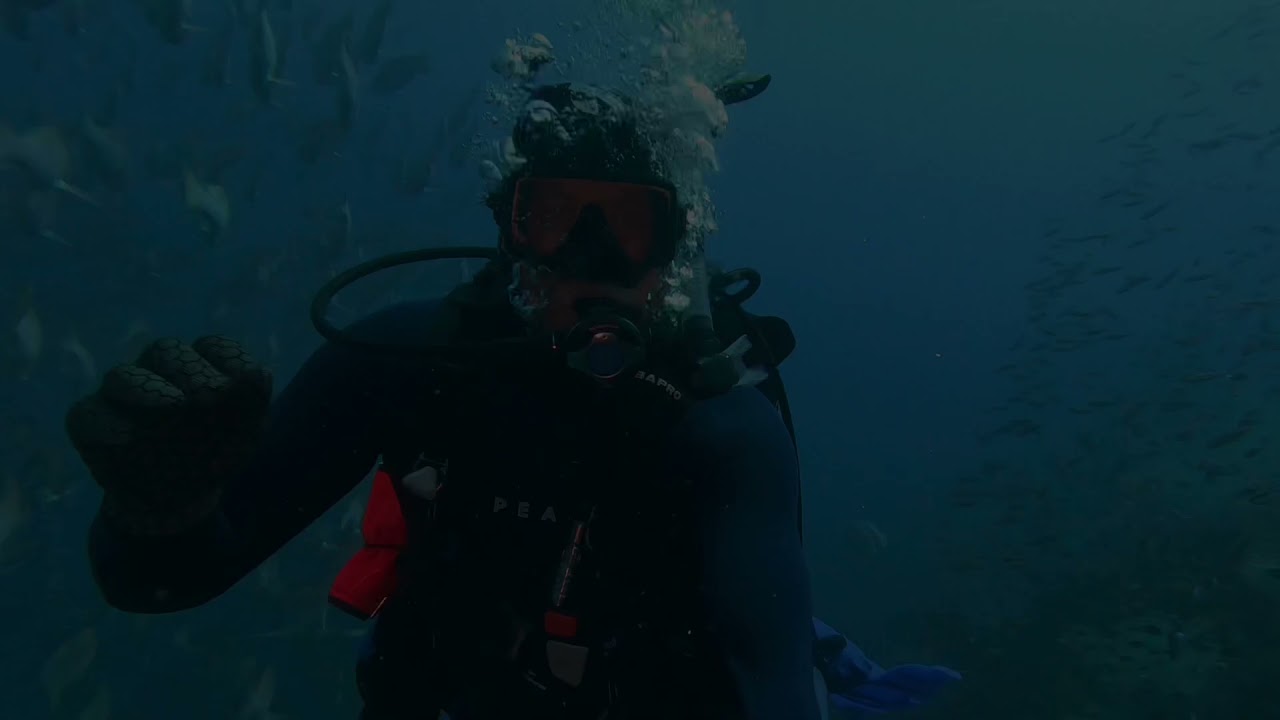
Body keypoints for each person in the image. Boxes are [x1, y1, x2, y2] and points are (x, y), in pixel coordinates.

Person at [66, 82, 958, 719]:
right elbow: (163, 582)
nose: (590, 258)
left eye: (628, 226)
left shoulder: (720, 425)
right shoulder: (412, 361)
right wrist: (159, 510)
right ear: (509, 231)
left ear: (673, 254)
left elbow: (768, 681)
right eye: (557, 218)